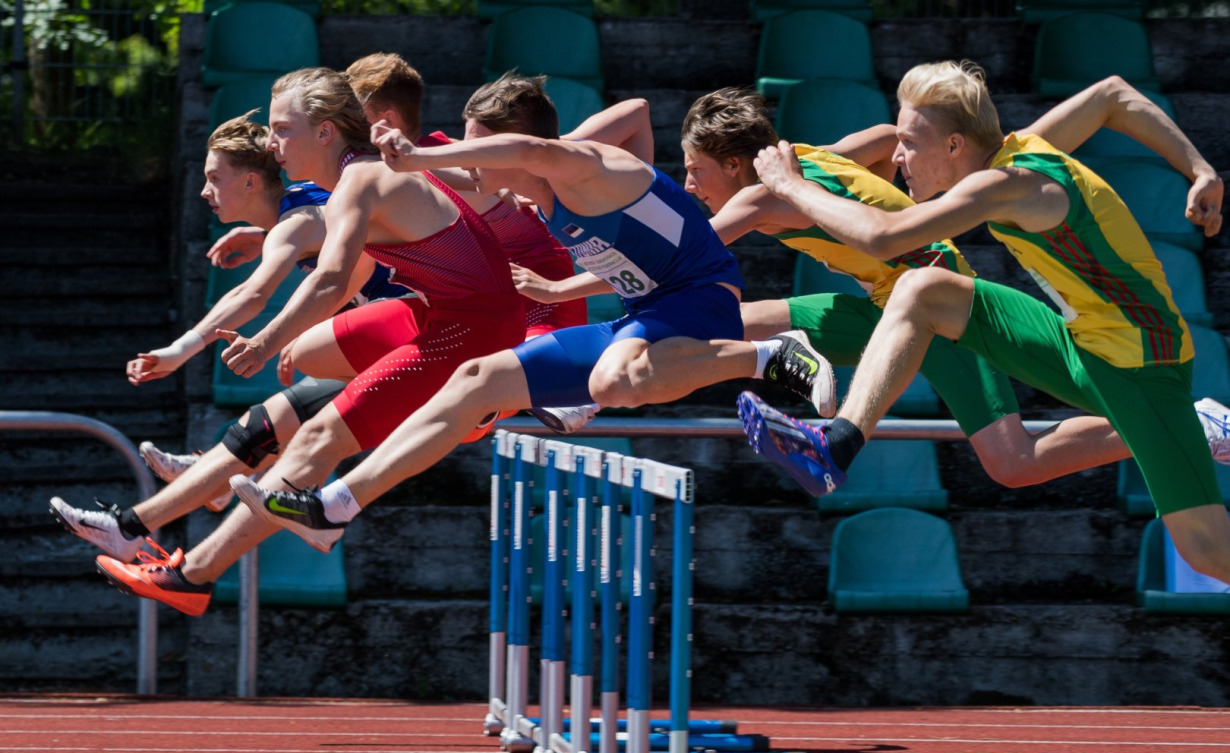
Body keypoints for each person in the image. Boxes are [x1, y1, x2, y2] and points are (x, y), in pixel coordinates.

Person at [228, 72, 838, 554]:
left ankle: (769, 355)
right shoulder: (536, 202)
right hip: (646, 315)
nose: (466, 165)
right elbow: (629, 256)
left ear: (510, 146)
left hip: (703, 301)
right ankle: (337, 507)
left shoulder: (586, 167)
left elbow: (542, 144)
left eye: (475, 149)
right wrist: (557, 289)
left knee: (610, 380)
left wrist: (415, 158)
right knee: (477, 379)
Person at [742, 63, 1230, 581]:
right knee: (922, 288)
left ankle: (1190, 425)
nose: (898, 155)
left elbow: (884, 238)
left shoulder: (1008, 185)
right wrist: (1200, 169)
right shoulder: (1022, 150)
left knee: (1206, 551)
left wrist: (790, 186)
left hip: (1142, 366)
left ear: (955, 146)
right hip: (1081, 340)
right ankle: (834, 444)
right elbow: (1111, 94)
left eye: (909, 141)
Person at [91, 66, 530, 616]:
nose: (270, 145)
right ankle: (224, 529)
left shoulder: (362, 180)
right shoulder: (357, 179)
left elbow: (328, 281)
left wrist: (265, 340)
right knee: (311, 392)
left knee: (317, 430)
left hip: (473, 332)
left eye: (281, 129)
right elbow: (334, 236)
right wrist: (266, 237)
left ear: (325, 132)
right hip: (444, 316)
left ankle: (197, 570)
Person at [49, 112, 406, 560]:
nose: (204, 191)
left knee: (267, 426)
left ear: (253, 182)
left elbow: (254, 293)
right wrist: (263, 237)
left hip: (424, 349)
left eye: (215, 178)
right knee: (265, 425)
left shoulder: (294, 222)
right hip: (396, 343)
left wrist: (183, 349)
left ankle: (171, 521)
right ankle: (181, 501)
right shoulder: (298, 213)